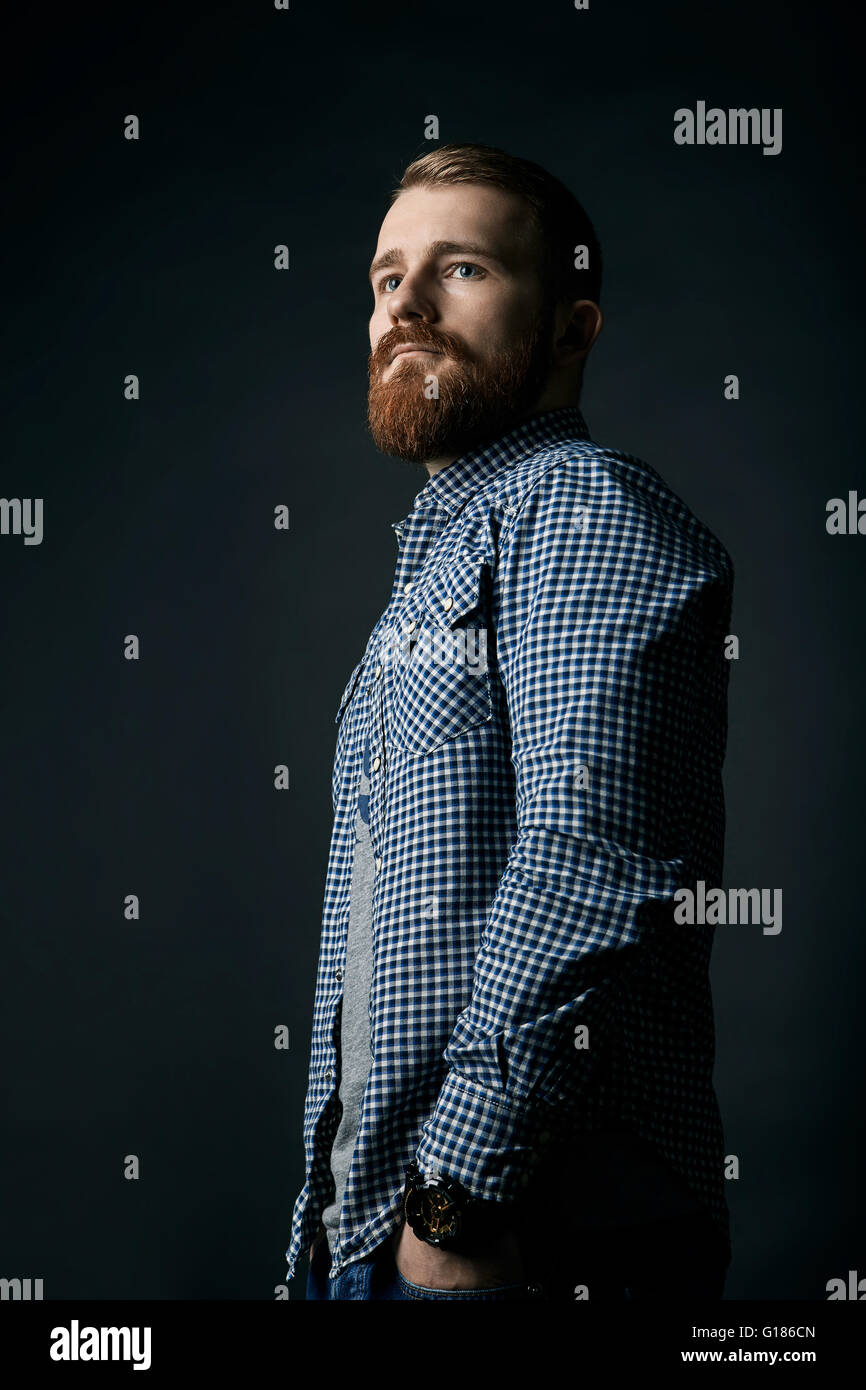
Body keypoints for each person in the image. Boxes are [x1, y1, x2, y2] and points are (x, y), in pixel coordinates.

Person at [284, 142, 734, 1301]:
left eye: (462, 269)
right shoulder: (439, 558)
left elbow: (591, 862)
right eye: (386, 279)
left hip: (516, 1238)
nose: (405, 308)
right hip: (393, 1234)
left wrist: (454, 1200)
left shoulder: (581, 509)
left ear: (573, 329)